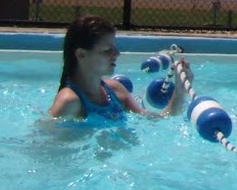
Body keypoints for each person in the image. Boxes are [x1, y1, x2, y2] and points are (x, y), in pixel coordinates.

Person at [48, 15, 191, 122]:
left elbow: (160, 119)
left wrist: (180, 88)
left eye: (114, 48)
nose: (117, 54)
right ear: (81, 54)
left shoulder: (116, 90)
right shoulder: (70, 102)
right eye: (107, 50)